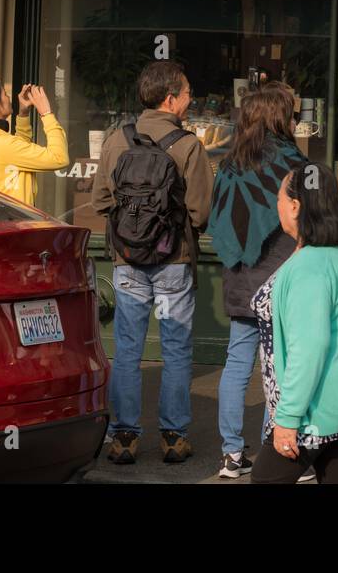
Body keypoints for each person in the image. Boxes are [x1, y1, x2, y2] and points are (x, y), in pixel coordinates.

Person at [92, 61, 213, 466]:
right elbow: (199, 213)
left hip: (126, 259)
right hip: (174, 260)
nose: (190, 98)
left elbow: (101, 203)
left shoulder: (116, 139)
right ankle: (174, 437)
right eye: (187, 92)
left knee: (127, 348)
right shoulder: (189, 145)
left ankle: (123, 437)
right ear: (170, 98)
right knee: (176, 348)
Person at [250, 163, 338, 484]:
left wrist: (287, 419)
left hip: (314, 409)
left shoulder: (310, 266)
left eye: (280, 198)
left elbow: (309, 348)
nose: (277, 204)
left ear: (295, 207)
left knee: (266, 478)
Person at [207, 82, 307, 479]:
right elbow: (307, 220)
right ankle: (275, 451)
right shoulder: (293, 163)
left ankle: (232, 455)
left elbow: (217, 219)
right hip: (282, 278)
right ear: (279, 117)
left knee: (237, 363)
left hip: (241, 276)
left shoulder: (230, 163)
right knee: (278, 366)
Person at [0, 76, 68, 204]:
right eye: (5, 94)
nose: (9, 97)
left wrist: (23, 113)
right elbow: (59, 158)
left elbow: (16, 155)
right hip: (16, 222)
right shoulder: (1, 144)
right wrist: (46, 114)